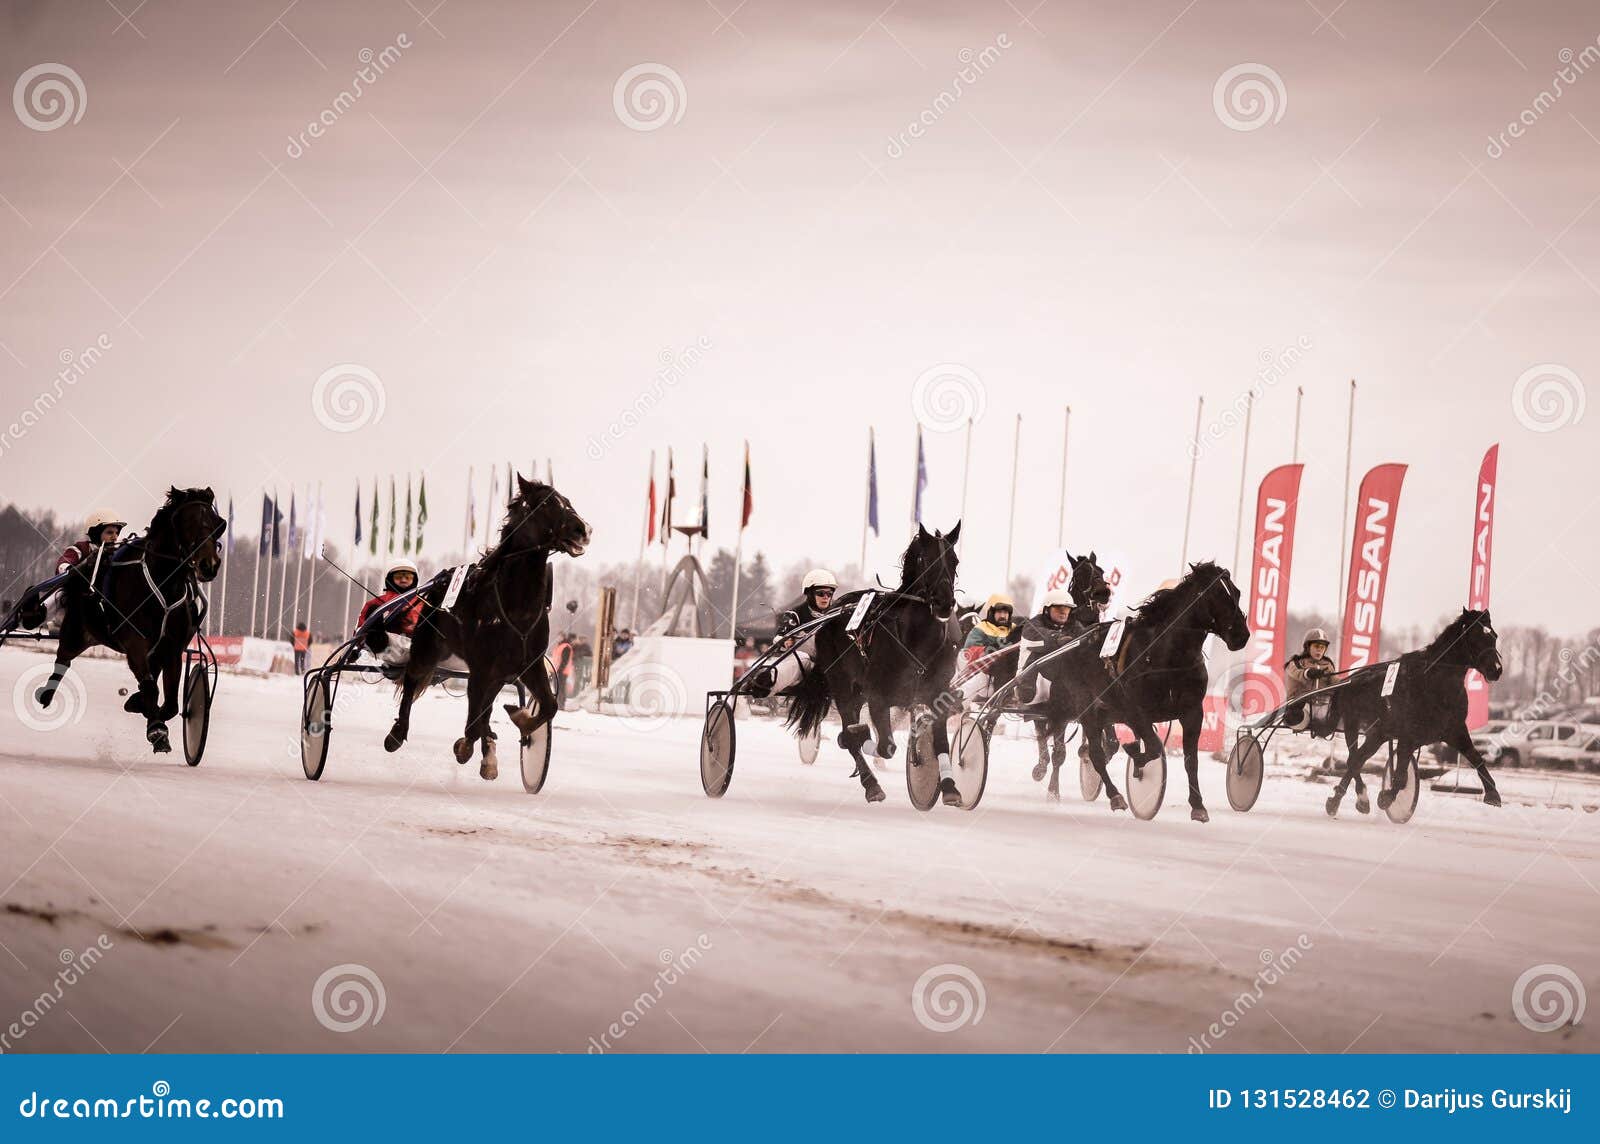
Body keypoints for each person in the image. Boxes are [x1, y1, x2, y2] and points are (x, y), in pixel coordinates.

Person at [19, 510, 126, 631]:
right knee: (61, 594)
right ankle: (37, 616)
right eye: (109, 532)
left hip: (103, 595)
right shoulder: (82, 548)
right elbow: (64, 563)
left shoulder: (118, 553)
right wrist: (71, 569)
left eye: (117, 533)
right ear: (96, 533)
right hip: (75, 595)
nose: (115, 537)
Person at [747, 568, 838, 698]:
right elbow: (779, 637)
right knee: (801, 658)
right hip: (806, 666)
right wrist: (785, 641)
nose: (826, 597)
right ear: (810, 594)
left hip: (831, 666)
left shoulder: (837, 614)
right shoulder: (795, 614)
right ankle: (767, 682)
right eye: (821, 593)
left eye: (829, 594)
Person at [357, 559, 426, 672]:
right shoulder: (376, 603)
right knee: (374, 611)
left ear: (414, 580)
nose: (403, 579)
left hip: (419, 649)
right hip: (388, 648)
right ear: (390, 579)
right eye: (399, 576)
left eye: (408, 577)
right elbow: (360, 629)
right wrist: (357, 647)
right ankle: (378, 639)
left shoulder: (423, 603)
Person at [957, 594, 1017, 704]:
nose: (1003, 615)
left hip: (1013, 673)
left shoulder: (1015, 628)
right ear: (992, 612)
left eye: (1006, 612)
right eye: (999, 612)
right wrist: (988, 651)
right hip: (987, 676)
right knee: (998, 661)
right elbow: (969, 652)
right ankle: (960, 697)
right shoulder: (981, 628)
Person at [1284, 627, 1338, 734]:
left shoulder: (1328, 665)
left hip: (1322, 707)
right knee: (1293, 715)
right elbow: (1297, 673)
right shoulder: (1295, 662)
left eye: (1322, 647)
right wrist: (1307, 673)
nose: (1319, 650)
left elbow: (1335, 682)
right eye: (1316, 646)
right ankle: (1305, 722)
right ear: (1308, 647)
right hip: (1301, 707)